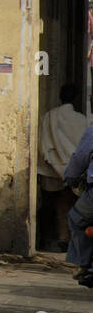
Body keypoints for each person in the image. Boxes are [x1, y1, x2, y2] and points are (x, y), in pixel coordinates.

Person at [37, 83, 87, 252]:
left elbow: (42, 143)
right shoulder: (81, 120)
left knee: (49, 205)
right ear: (75, 98)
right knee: (71, 205)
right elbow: (83, 148)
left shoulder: (49, 116)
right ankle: (68, 239)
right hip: (72, 170)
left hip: (50, 169)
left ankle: (48, 239)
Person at [63, 118, 93, 287]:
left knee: (76, 219)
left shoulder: (92, 132)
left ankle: (82, 264)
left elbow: (79, 160)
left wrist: (70, 179)